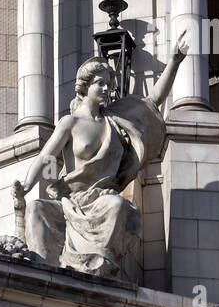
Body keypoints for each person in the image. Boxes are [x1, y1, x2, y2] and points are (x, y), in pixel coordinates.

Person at [12, 31, 190, 279]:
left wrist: (174, 61)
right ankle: (42, 278)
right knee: (36, 209)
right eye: (101, 83)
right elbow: (45, 156)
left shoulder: (116, 121)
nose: (107, 89)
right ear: (85, 86)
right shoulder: (70, 123)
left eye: (109, 84)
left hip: (102, 199)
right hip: (71, 202)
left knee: (116, 205)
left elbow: (153, 101)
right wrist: (27, 186)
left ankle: (98, 269)